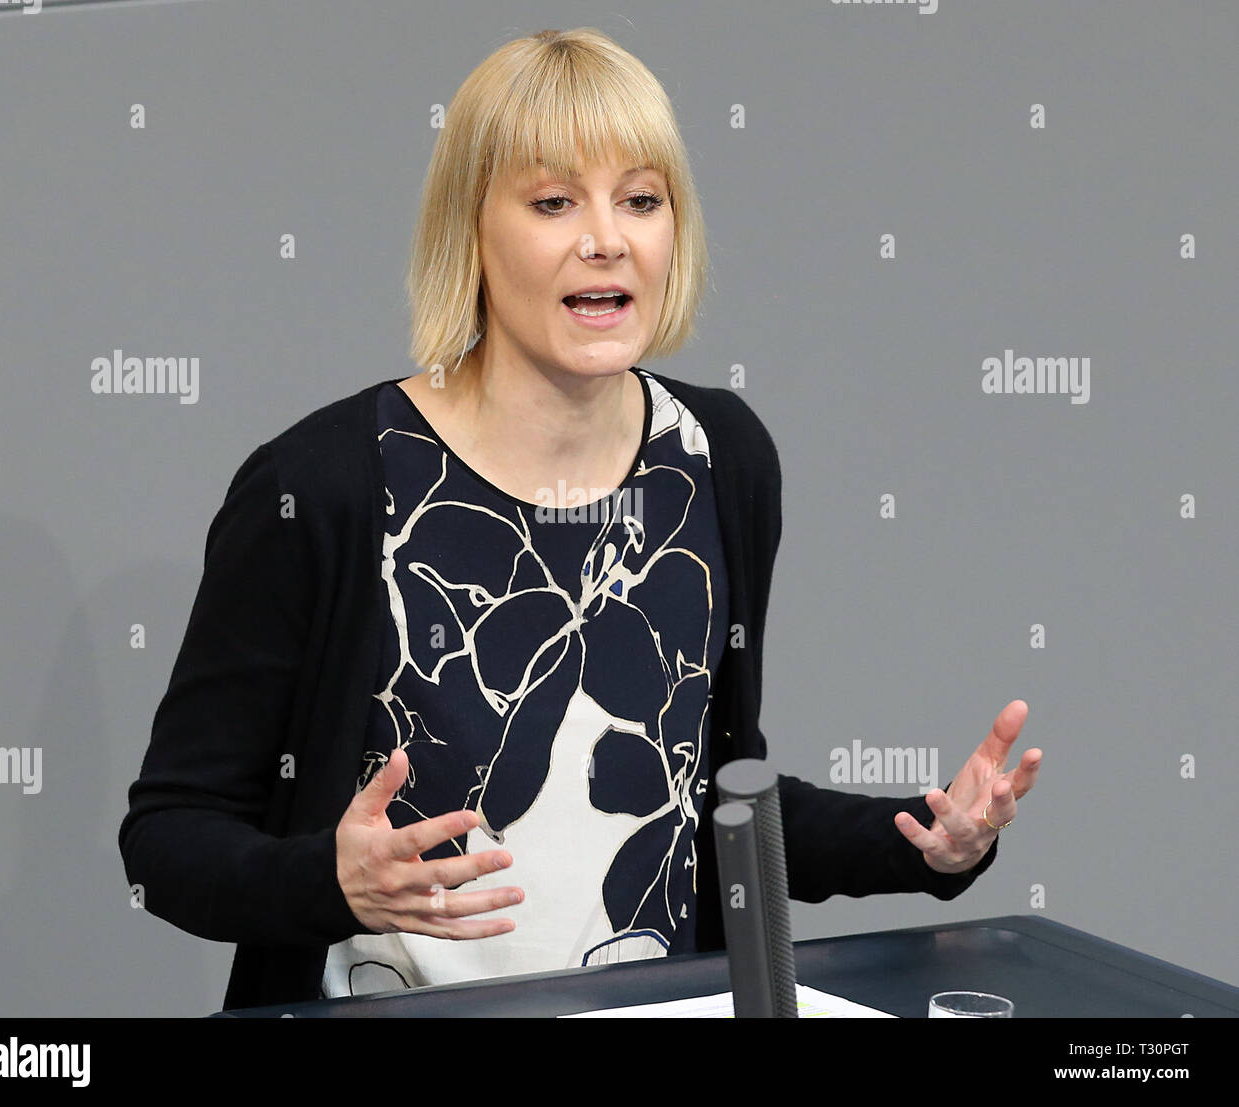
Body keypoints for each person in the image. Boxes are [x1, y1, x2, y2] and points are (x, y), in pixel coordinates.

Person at [119, 27, 1042, 1010]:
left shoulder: (717, 457)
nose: (606, 237)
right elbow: (168, 839)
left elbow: (709, 796)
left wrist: (926, 838)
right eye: (554, 201)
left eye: (640, 200)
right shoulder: (324, 485)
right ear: (469, 230)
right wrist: (331, 882)